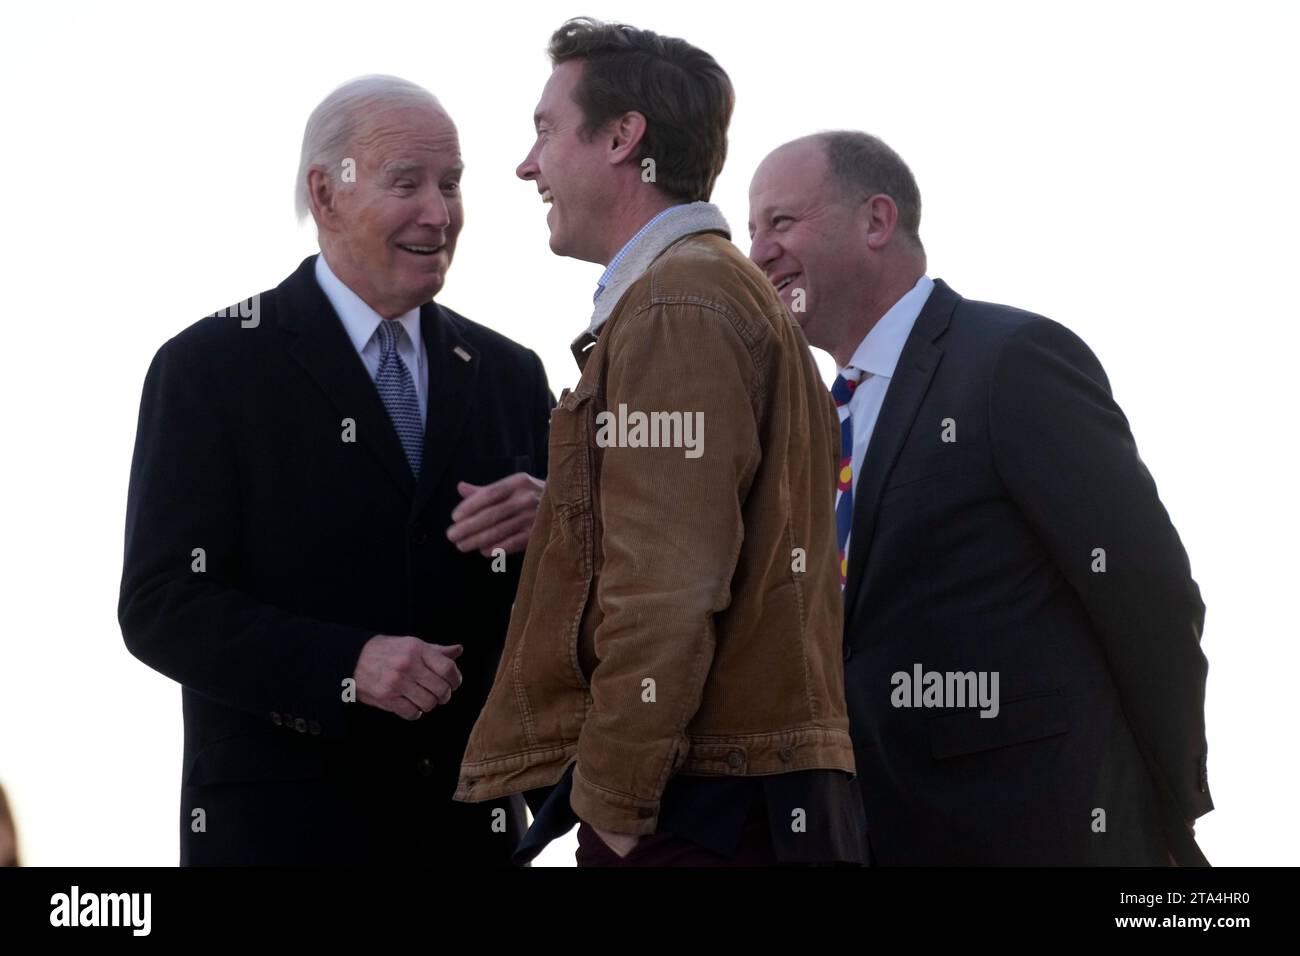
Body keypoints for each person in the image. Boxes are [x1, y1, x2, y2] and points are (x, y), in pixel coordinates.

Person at [455, 18, 867, 867]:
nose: (527, 165)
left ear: (620, 138)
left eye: (544, 130)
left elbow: (668, 589)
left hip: (700, 805)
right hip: (736, 793)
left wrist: (613, 811)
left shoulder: (680, 305)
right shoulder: (710, 294)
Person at [119, 75, 552, 865]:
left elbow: (575, 606)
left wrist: (558, 518)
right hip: (284, 839)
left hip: (468, 839)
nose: (440, 212)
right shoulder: (210, 368)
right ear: (326, 194)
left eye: (452, 185)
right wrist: (346, 665)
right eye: (407, 183)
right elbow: (161, 604)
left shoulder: (509, 374)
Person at [748, 131, 1213, 865]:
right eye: (752, 231)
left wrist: (1165, 802)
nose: (758, 254)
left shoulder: (1009, 359)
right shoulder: (807, 420)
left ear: (877, 220)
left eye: (780, 223)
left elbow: (1145, 589)